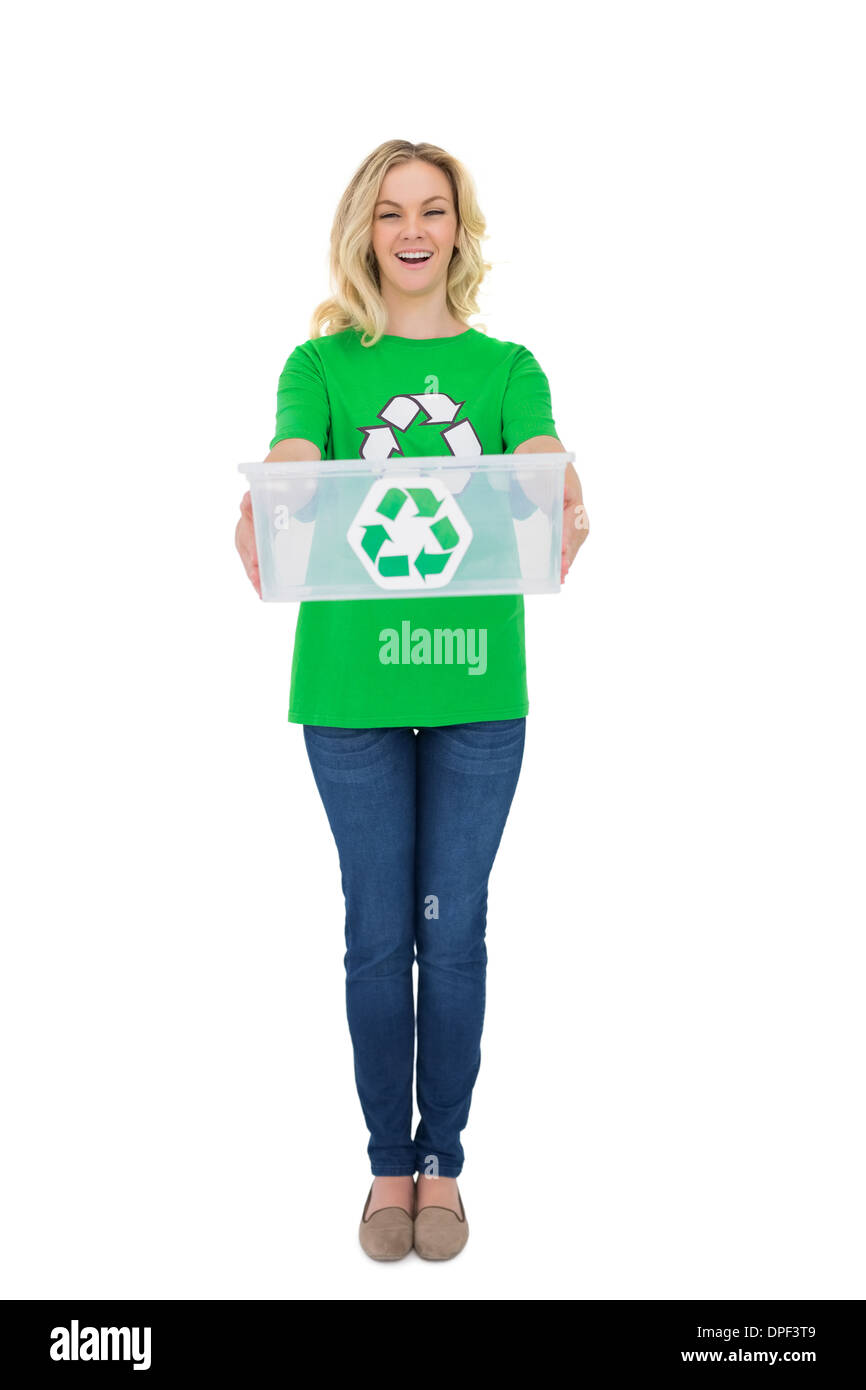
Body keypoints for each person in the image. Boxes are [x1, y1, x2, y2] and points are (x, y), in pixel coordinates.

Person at [235, 140, 589, 1261]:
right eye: (389, 212)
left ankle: (447, 1164)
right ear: (365, 231)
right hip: (350, 686)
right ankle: (389, 1161)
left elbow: (534, 450)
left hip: (476, 678)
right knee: (379, 933)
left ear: (458, 229)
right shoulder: (325, 365)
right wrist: (276, 492)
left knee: (458, 929)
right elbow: (294, 451)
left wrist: (560, 474)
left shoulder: (504, 366)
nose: (411, 229)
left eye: (432, 209)